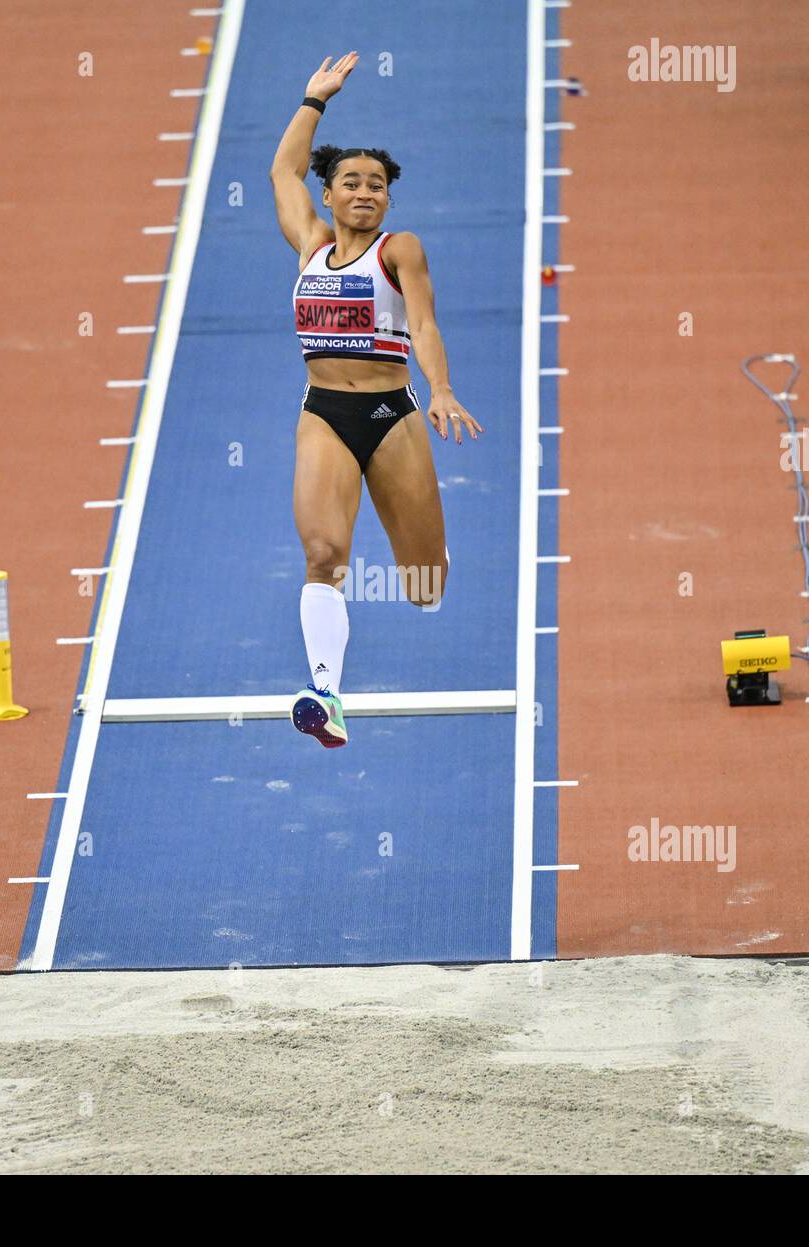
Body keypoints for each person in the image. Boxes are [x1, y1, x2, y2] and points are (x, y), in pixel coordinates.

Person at [269, 51, 483, 747]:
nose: (366, 191)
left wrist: (442, 388)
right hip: (325, 414)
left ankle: (431, 560)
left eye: (378, 184)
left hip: (393, 419)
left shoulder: (400, 250)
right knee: (324, 552)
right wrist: (313, 101)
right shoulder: (309, 243)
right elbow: (281, 172)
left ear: (389, 200)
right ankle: (324, 692)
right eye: (350, 182)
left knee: (423, 588)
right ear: (326, 195)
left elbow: (422, 322)